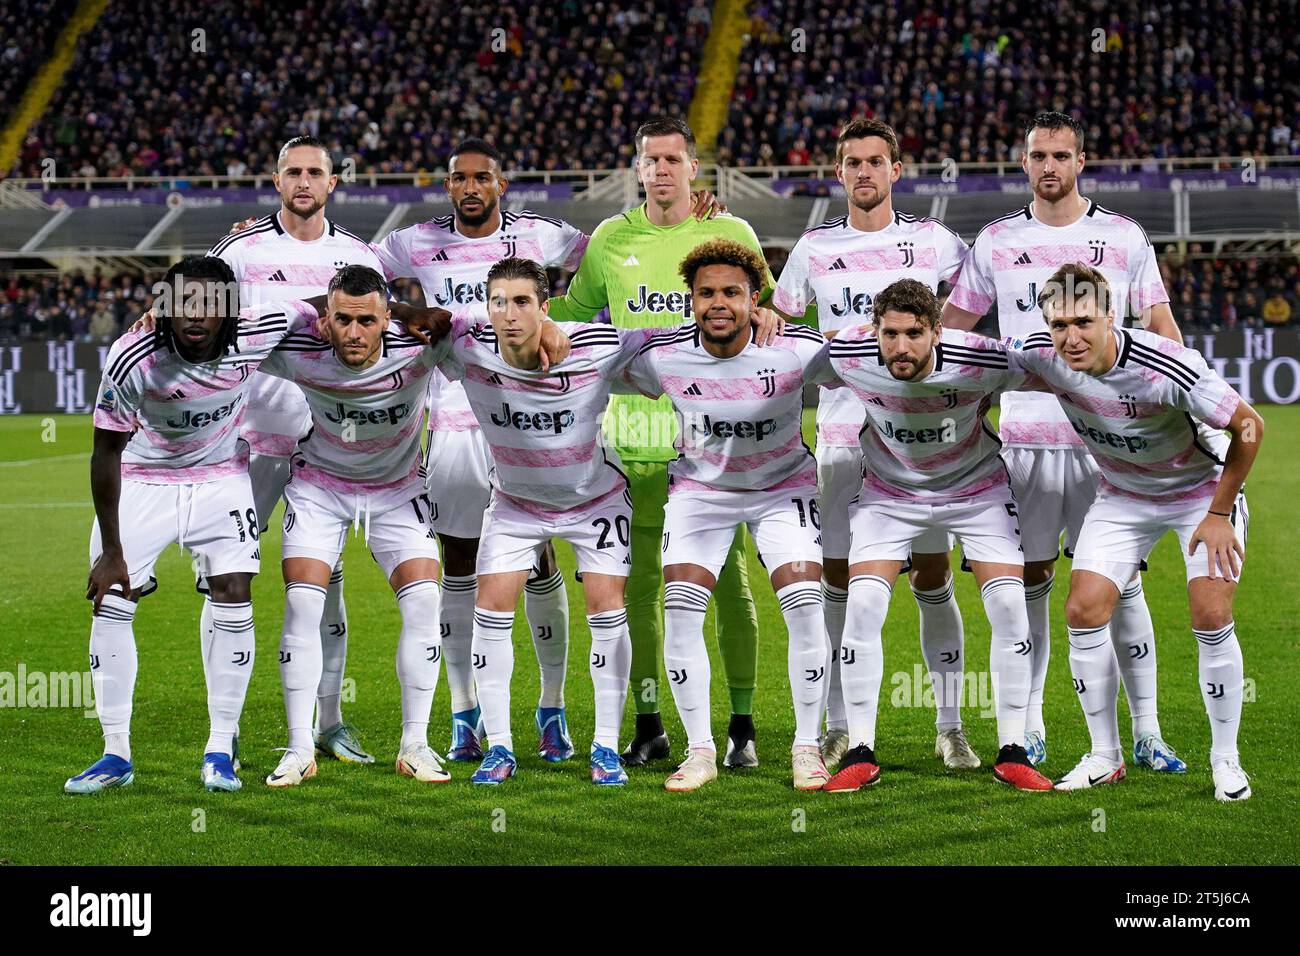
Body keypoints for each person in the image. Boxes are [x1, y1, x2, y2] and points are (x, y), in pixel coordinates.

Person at [941, 111, 1185, 772]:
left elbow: (1158, 322)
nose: (1050, 167)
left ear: (1081, 162)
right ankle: (1031, 726)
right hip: (1024, 442)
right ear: (1024, 164)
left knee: (1123, 585)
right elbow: (953, 330)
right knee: (1031, 586)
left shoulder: (1123, 236)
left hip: (1108, 444)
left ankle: (1149, 732)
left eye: (1061, 155)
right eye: (1038, 156)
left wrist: (1174, 402)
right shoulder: (994, 241)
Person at [254, 265, 561, 787]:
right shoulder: (299, 349)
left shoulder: (419, 344)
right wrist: (156, 319)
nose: (355, 333)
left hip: (397, 493)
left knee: (423, 602)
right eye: (342, 321)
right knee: (303, 601)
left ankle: (414, 744)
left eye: (368, 320)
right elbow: (226, 331)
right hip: (321, 489)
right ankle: (300, 747)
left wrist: (552, 329)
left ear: (385, 319)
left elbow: (499, 322)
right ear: (325, 321)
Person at [547, 117, 773, 770]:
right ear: (639, 169)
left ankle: (741, 726)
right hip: (631, 439)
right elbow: (573, 314)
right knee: (637, 588)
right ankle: (649, 723)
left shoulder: (731, 234)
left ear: (694, 168)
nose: (664, 169)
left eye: (674, 158)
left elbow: (771, 315)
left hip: (714, 440)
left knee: (728, 583)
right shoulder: (610, 240)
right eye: (652, 160)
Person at [371, 138, 590, 764]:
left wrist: (694, 217)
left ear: (502, 182)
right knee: (460, 563)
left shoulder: (544, 235)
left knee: (538, 559)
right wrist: (411, 307)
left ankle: (552, 709)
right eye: (458, 179)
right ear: (448, 187)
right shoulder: (415, 242)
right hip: (456, 422)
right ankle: (464, 713)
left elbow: (606, 262)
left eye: (481, 178)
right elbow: (351, 275)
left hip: (529, 418)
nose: (469, 187)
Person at [1013, 263, 1263, 801]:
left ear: (1110, 315)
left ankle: (1226, 760)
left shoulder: (1165, 365)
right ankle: (1105, 754)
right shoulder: (1040, 354)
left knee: (1211, 613)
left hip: (1198, 492)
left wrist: (1219, 513)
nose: (1070, 338)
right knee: (1083, 609)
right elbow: (972, 361)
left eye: (1083, 322)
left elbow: (1249, 426)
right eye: (1059, 325)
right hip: (1124, 495)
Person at [773, 117, 976, 772]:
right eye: (852, 162)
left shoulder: (936, 243)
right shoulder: (811, 249)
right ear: (839, 173)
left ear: (896, 169)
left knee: (933, 577)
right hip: (840, 436)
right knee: (839, 582)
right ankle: (838, 725)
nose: (864, 172)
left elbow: (968, 320)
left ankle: (949, 727)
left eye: (876, 161)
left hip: (920, 440)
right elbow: (777, 328)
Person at [68, 256, 312, 794]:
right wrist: (111, 549)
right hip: (143, 478)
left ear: (232, 311)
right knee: (112, 597)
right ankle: (115, 754)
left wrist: (408, 313)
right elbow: (104, 451)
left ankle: (220, 749)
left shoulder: (259, 329)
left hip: (222, 478)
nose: (196, 316)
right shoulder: (133, 355)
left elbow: (320, 306)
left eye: (209, 305)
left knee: (234, 592)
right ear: (164, 307)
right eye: (184, 303)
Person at [807, 278, 1055, 793]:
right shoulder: (851, 352)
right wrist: (766, 321)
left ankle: (1013, 750)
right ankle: (860, 750)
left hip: (976, 492)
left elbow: (1059, 371)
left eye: (914, 334)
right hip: (888, 495)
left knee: (1010, 603)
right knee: (864, 606)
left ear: (938, 331)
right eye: (890, 334)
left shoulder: (983, 359)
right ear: (874, 332)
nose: (900, 347)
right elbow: (780, 363)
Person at [623, 239, 832, 792]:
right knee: (682, 610)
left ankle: (806, 749)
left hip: (782, 487)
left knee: (806, 605)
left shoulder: (794, 349)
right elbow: (590, 357)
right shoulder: (661, 355)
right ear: (689, 299)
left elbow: (869, 357)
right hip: (699, 493)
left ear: (755, 297)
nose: (719, 303)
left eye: (732, 293)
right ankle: (700, 752)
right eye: (707, 293)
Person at [207, 134, 386, 765]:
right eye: (293, 172)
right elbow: (195, 312)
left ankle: (329, 723)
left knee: (325, 587)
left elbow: (386, 338)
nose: (304, 181)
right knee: (227, 580)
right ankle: (221, 734)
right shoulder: (241, 249)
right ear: (276, 180)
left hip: (325, 446)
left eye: (315, 172)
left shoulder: (358, 257)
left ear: (333, 183)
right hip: (244, 441)